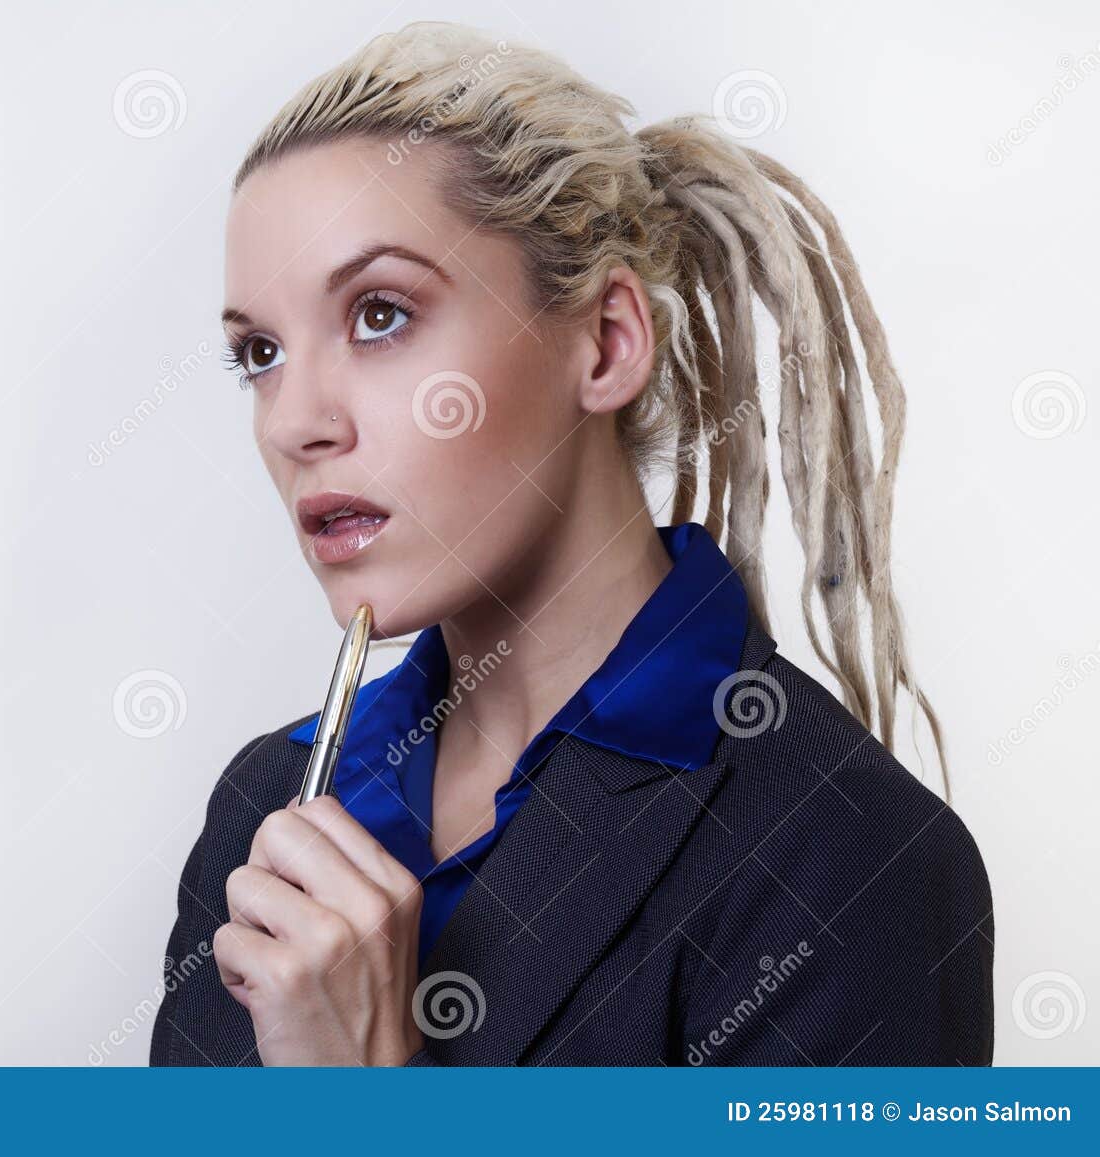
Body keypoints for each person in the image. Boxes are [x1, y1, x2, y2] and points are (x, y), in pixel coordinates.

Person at [149, 20, 992, 1066]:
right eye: (259, 353)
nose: (292, 421)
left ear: (605, 342)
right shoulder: (263, 808)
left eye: (378, 313)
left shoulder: (848, 858)